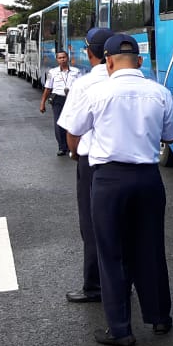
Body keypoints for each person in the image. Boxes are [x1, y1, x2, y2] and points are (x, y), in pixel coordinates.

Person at [59, 33, 173, 346]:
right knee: (150, 249)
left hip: (109, 180)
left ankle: (120, 329)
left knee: (111, 253)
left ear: (108, 61)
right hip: (149, 180)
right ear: (139, 61)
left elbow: (74, 133)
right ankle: (160, 319)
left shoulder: (97, 92)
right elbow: (171, 136)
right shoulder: (160, 93)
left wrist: (74, 154)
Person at [57, 28, 114, 305]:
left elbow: (72, 130)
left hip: (92, 163)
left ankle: (94, 286)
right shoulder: (138, 82)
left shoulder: (84, 84)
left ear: (89, 52)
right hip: (129, 166)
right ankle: (120, 281)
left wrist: (74, 153)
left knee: (92, 226)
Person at [41, 50, 81, 156]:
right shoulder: (52, 72)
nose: (62, 59)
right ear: (57, 60)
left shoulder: (76, 72)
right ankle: (62, 147)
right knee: (59, 123)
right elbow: (48, 88)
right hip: (58, 99)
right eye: (60, 58)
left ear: (67, 58)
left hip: (72, 99)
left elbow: (81, 88)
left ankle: (71, 146)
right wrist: (42, 103)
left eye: (64, 57)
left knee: (71, 123)